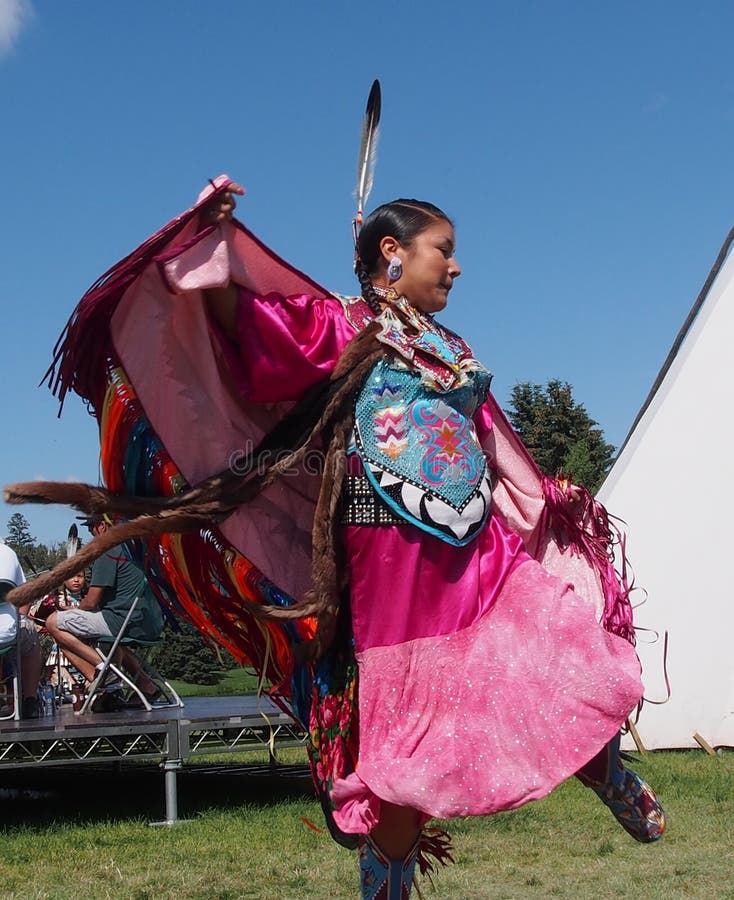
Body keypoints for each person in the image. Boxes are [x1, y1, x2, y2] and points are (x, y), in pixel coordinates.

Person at [4, 176, 664, 895]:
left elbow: (491, 432)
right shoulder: (343, 325)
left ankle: (607, 772)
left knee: (552, 651)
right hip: (390, 559)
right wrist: (216, 243)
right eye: (443, 250)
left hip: (477, 545)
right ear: (392, 252)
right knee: (407, 739)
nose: (456, 265)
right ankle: (388, 885)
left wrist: (539, 500)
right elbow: (254, 332)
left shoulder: (448, 343)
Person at [44, 515, 163, 707]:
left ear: (102, 526)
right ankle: (145, 684)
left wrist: (73, 608)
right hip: (151, 623)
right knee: (113, 642)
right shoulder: (138, 546)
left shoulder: (108, 550)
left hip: (122, 621)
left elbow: (91, 602)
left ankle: (105, 674)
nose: (90, 532)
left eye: (91, 527)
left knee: (53, 623)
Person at [0, 543, 42, 718]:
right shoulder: (6, 552)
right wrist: (20, 618)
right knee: (31, 638)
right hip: (6, 634)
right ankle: (30, 699)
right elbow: (25, 596)